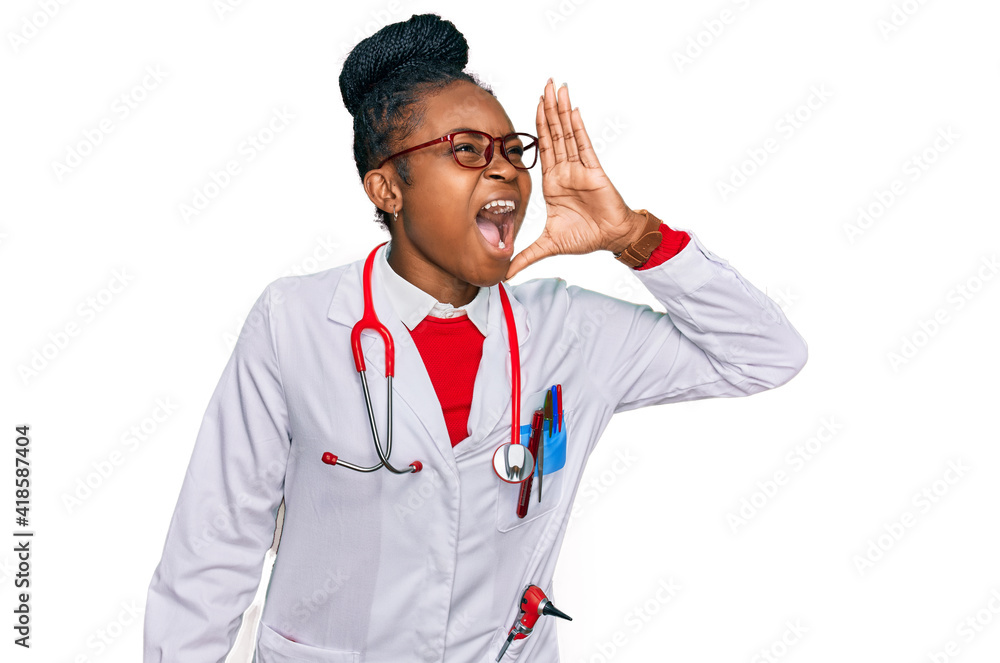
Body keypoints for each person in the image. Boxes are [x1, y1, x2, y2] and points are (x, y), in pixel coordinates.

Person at [143, 13, 808, 662]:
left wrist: (632, 235)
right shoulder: (295, 321)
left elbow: (766, 354)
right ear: (386, 188)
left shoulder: (571, 331)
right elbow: (214, 543)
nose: (506, 171)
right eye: (466, 150)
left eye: (513, 150)